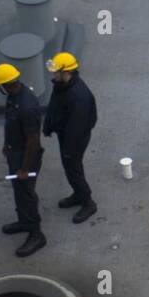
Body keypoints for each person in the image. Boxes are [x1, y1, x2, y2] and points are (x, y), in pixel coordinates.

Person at [0, 63, 46, 257]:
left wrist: (24, 169)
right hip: (16, 153)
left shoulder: (26, 106)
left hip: (26, 158)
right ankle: (24, 221)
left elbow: (33, 141)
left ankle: (36, 234)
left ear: (6, 84)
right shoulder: (14, 97)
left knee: (26, 194)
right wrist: (7, 146)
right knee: (19, 191)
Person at [43, 52, 98, 224]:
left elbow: (77, 127)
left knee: (73, 169)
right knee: (71, 169)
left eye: (55, 71)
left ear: (66, 72)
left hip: (73, 141)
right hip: (66, 136)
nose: (53, 74)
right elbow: (54, 105)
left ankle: (87, 202)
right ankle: (78, 194)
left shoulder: (78, 96)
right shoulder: (62, 85)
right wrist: (48, 125)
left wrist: (68, 150)